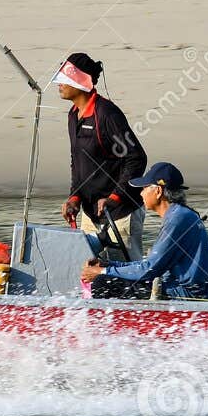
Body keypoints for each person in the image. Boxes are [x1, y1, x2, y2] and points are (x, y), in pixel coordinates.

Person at [54, 52, 148, 260]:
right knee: (90, 276)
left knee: (124, 280)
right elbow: (78, 164)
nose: (59, 83)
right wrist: (75, 198)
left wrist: (114, 197)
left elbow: (136, 158)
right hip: (90, 214)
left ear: (80, 81)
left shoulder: (107, 114)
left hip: (121, 213)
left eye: (65, 78)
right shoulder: (73, 115)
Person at [80, 161, 208, 299]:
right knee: (108, 276)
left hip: (185, 294)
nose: (141, 193)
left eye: (144, 188)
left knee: (102, 283)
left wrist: (103, 271)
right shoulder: (180, 214)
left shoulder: (177, 219)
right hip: (180, 287)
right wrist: (109, 264)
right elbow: (150, 264)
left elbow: (149, 269)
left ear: (158, 191)